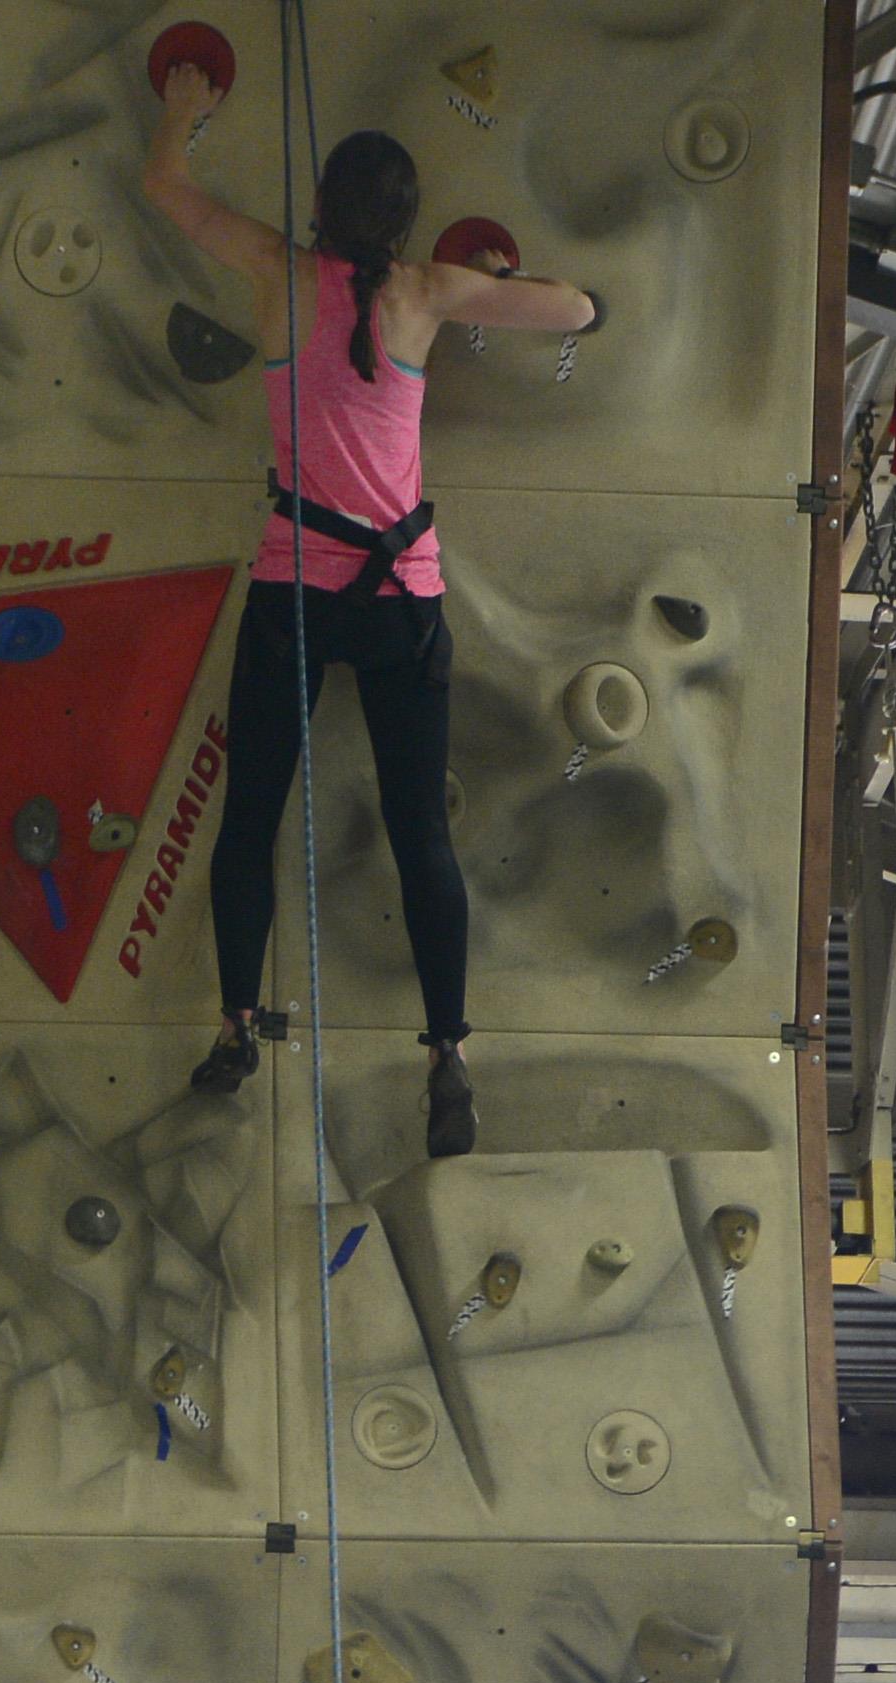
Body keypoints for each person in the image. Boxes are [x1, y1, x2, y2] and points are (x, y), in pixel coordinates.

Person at [141, 75, 599, 1159]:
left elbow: (165, 185)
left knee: (249, 814)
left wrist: (185, 102)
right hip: (401, 601)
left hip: (293, 593)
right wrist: (490, 274)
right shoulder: (430, 293)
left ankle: (236, 1028)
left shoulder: (272, 270)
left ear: (320, 210)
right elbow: (581, 309)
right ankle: (446, 1051)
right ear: (400, 222)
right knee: (421, 835)